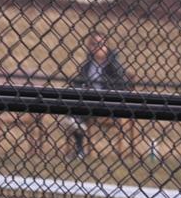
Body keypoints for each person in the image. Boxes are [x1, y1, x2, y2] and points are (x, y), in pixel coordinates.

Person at [64, 32, 152, 160]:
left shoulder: (113, 65)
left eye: (101, 44)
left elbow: (122, 85)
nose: (97, 47)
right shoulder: (87, 65)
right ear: (89, 47)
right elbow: (79, 81)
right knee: (74, 105)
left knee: (75, 116)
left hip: (109, 103)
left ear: (106, 46)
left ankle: (77, 127)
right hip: (89, 101)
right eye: (93, 44)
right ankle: (79, 147)